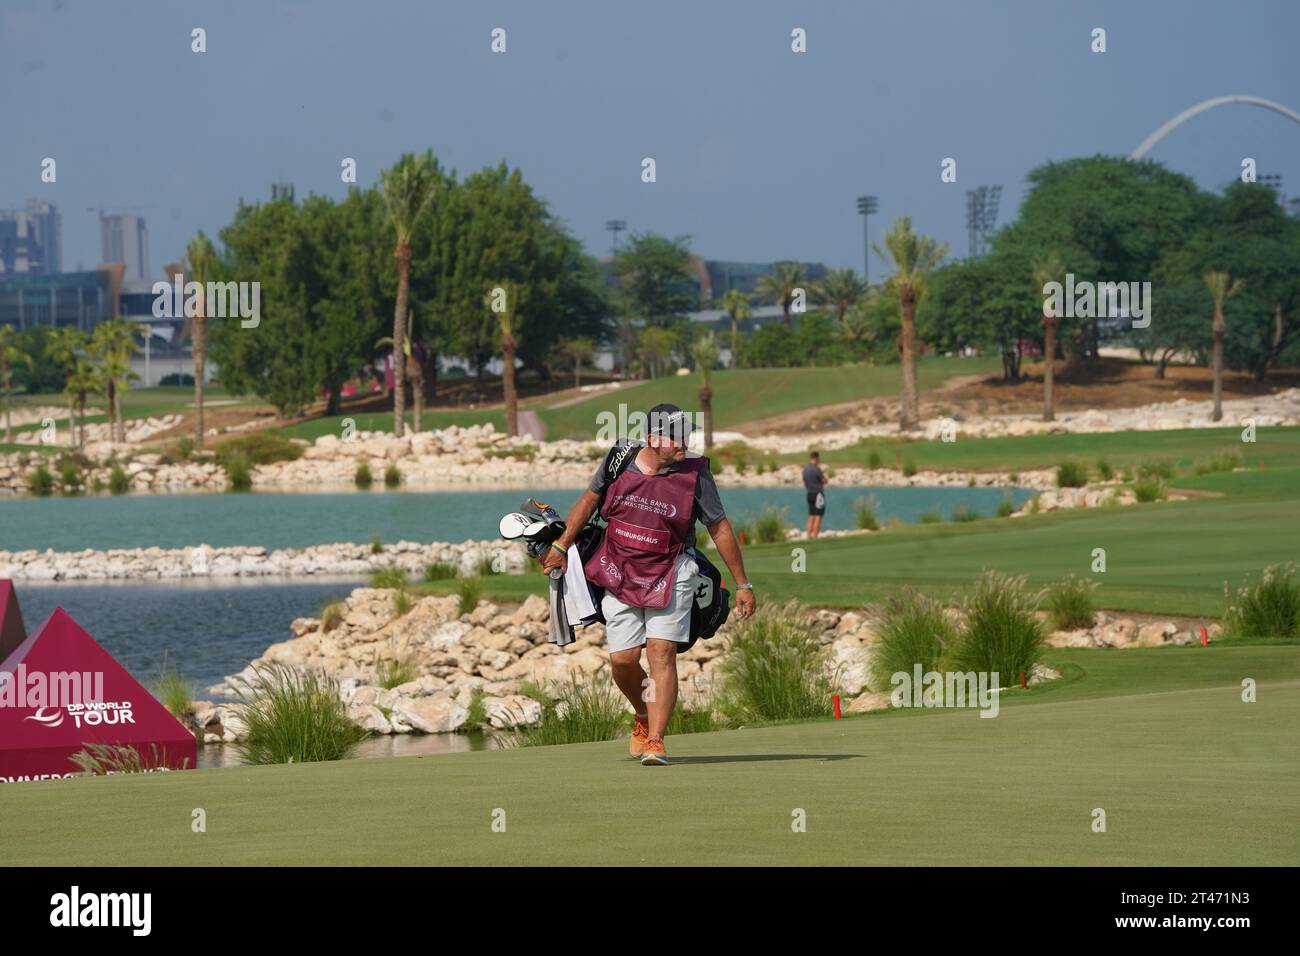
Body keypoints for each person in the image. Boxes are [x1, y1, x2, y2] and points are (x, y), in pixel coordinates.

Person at [540, 403, 756, 766]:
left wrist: (742, 584)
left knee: (661, 652)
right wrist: (561, 546)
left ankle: (656, 740)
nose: (684, 445)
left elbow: (718, 527)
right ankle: (642, 714)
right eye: (676, 438)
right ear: (653, 438)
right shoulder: (619, 459)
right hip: (618, 570)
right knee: (623, 660)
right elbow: (589, 501)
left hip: (673, 571)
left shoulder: (695, 473)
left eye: (687, 437)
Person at [803, 451, 827, 539]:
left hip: (809, 493)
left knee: (811, 515)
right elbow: (823, 480)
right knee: (818, 516)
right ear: (816, 458)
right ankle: (815, 537)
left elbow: (804, 481)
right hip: (818, 494)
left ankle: (808, 536)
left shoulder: (805, 469)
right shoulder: (817, 469)